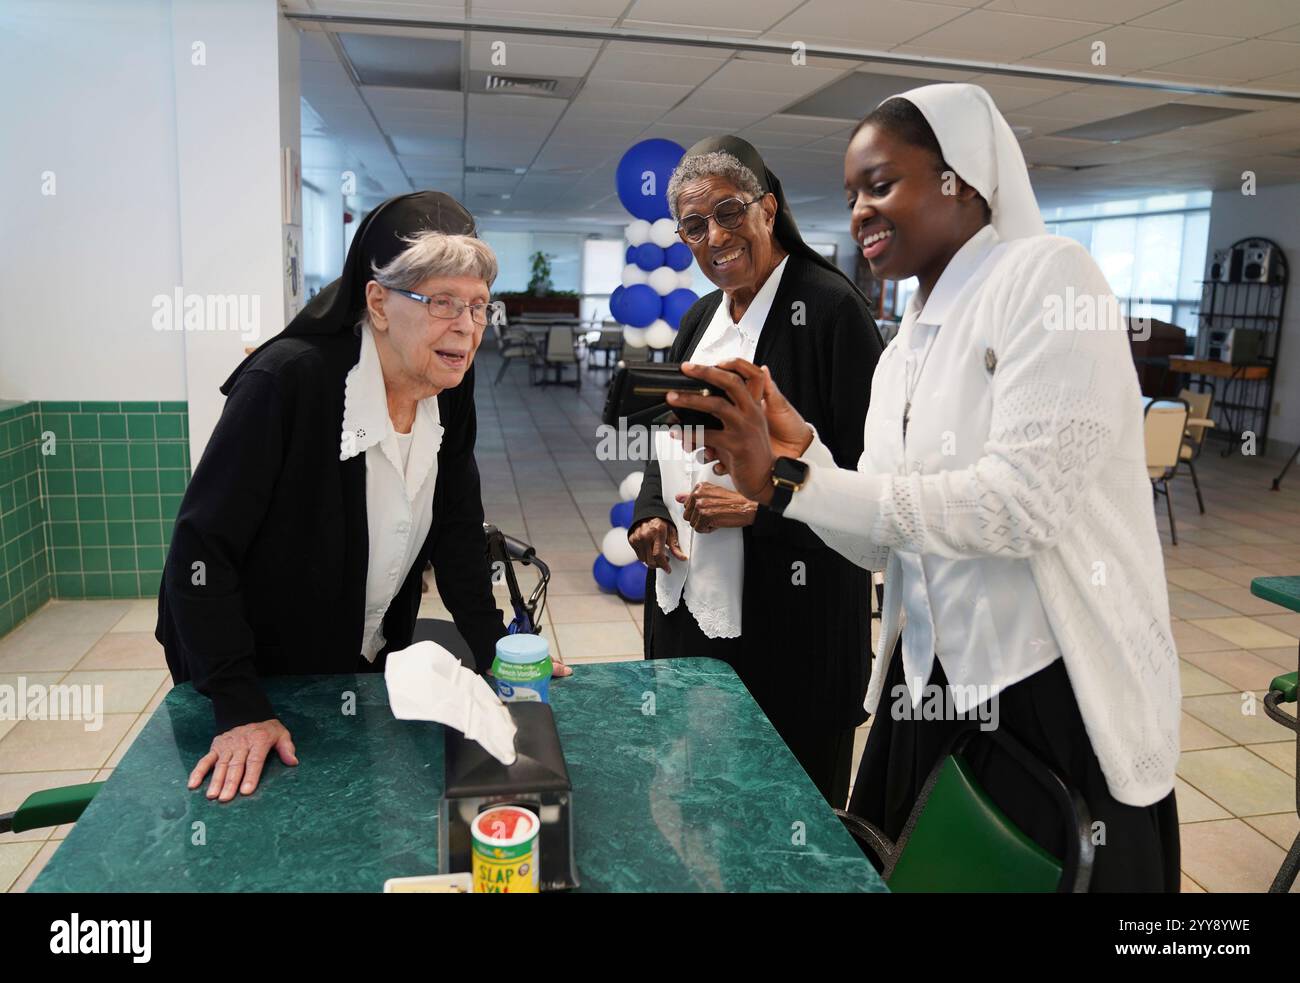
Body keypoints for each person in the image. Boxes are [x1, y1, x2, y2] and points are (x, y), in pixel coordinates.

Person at [668, 85, 1181, 891]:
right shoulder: (906, 343)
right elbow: (879, 536)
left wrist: (793, 476)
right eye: (851, 196)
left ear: (964, 181)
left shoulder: (1047, 278)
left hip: (1044, 687)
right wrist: (803, 460)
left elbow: (1019, 506)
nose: (862, 210)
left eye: (881, 183)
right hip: (929, 682)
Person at [157, 191, 555, 804]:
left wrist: (495, 649)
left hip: (361, 655)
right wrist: (239, 706)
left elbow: (456, 527)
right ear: (378, 302)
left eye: (479, 307)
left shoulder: (450, 383)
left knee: (357, 812)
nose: (467, 328)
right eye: (442, 302)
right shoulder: (289, 382)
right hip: (247, 670)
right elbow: (199, 551)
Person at [629, 136, 884, 807]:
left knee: (788, 827)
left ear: (768, 208)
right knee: (703, 805)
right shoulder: (698, 319)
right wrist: (651, 511)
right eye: (693, 224)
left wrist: (758, 505)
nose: (713, 236)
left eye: (729, 212)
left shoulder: (830, 312)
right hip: (691, 612)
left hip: (791, 628)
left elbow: (871, 480)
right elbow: (667, 435)